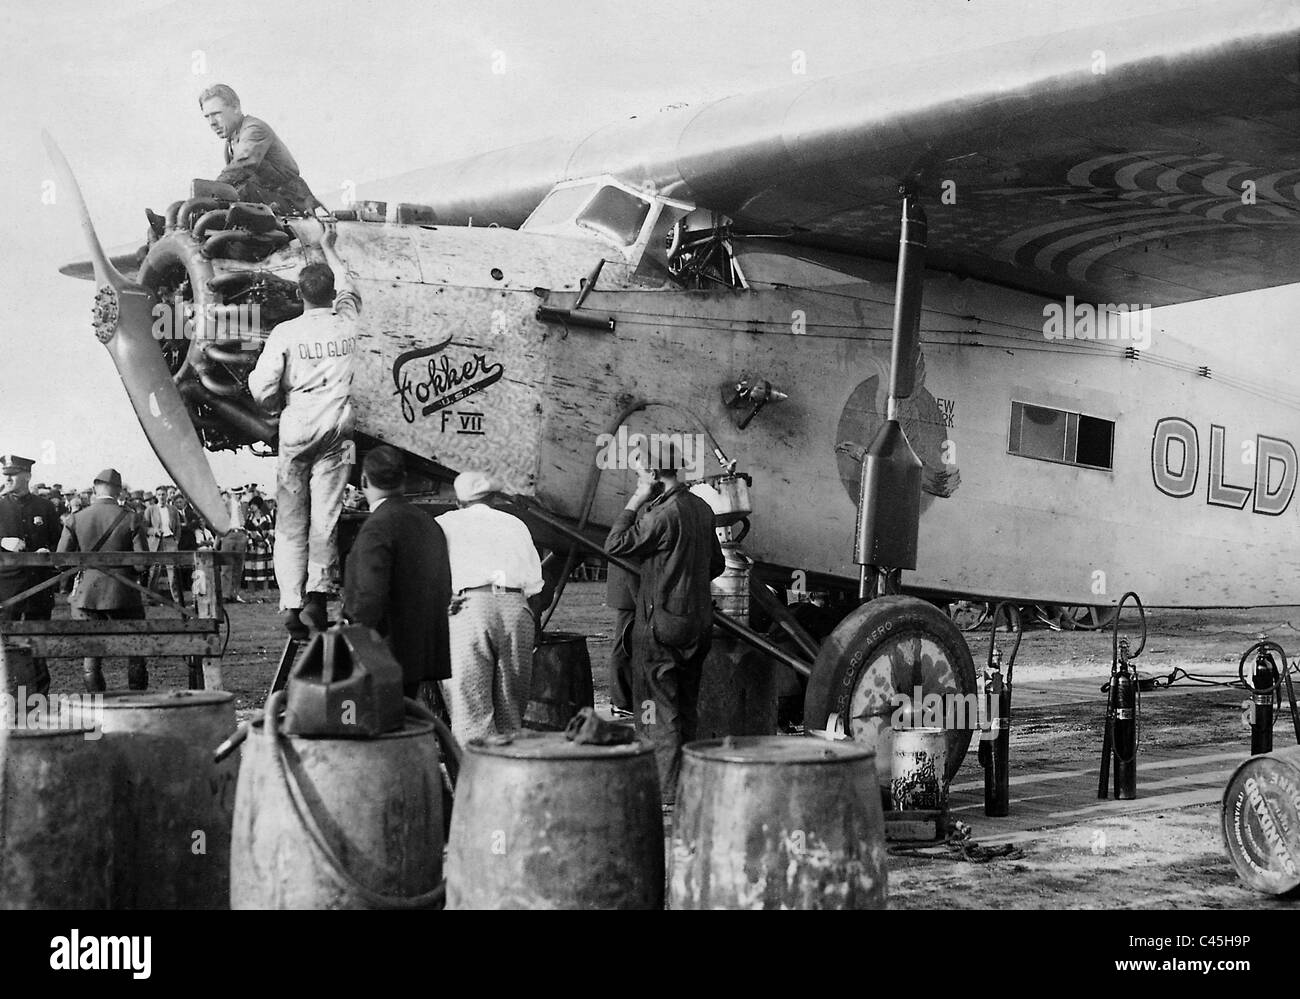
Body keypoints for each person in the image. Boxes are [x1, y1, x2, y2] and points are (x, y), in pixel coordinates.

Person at [248, 223, 359, 636]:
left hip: (298, 425)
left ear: (299, 294)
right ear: (331, 294)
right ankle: (317, 596)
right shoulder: (349, 321)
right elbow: (347, 282)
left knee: (291, 519)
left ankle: (292, 604)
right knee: (326, 515)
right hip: (339, 427)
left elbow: (261, 387)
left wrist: (276, 408)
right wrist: (329, 247)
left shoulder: (285, 332)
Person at [604, 446, 724, 806]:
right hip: (697, 624)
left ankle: (665, 792)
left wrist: (636, 500)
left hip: (661, 629)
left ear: (655, 475)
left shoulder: (661, 515)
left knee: (657, 709)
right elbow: (716, 565)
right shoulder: (701, 508)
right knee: (686, 705)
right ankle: (686, 786)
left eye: (642, 474)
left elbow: (615, 545)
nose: (640, 480)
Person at [435, 470, 544, 744]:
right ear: (494, 497)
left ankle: (475, 780)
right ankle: (508, 779)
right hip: (516, 608)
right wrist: (533, 624)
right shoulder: (516, 524)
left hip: (469, 607)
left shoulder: (444, 523)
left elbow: (426, 573)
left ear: (458, 502)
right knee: (511, 714)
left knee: (470, 713)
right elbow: (537, 587)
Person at [343, 446, 452, 701]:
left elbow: (369, 595)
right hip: (419, 652)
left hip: (382, 652)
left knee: (374, 726)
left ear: (363, 480)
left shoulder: (377, 526)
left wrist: (355, 635)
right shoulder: (428, 522)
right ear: (404, 480)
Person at [57, 468, 151, 692]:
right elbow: (142, 563)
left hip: (87, 594)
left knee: (92, 653)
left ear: (94, 488)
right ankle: (137, 701)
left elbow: (60, 560)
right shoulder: (131, 517)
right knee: (136, 650)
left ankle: (97, 704)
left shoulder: (76, 518)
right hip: (124, 592)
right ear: (119, 491)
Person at [198, 84, 321, 215]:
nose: (212, 122)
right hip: (267, 201)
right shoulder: (232, 141)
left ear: (235, 107)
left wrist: (210, 192)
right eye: (207, 116)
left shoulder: (254, 129)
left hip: (291, 203)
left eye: (216, 114)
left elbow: (241, 166)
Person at [0, 455, 62, 695]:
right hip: (6, 591)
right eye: (5, 473)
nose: (7, 478)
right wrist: (2, 541)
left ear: (27, 476)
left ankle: (39, 701)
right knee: (7, 647)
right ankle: (9, 700)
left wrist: (49, 552)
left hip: (39, 587)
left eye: (13, 474)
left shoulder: (44, 507)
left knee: (38, 645)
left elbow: (59, 543)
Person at [144, 488, 184, 606]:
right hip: (156, 543)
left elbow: (177, 527)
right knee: (155, 571)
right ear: (156, 496)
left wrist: (176, 540)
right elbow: (144, 528)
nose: (161, 497)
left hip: (170, 541)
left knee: (173, 571)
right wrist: (154, 530)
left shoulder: (172, 510)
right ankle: (151, 598)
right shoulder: (150, 510)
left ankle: (177, 599)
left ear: (167, 496)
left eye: (163, 494)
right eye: (159, 495)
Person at [243, 496, 275, 593]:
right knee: (251, 570)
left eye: (253, 505)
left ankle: (265, 590)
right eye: (251, 505)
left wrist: (265, 542)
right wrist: (252, 543)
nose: (251, 507)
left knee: (265, 569)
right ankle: (251, 591)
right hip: (253, 547)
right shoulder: (249, 519)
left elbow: (271, 532)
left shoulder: (267, 518)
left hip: (264, 547)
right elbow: (247, 532)